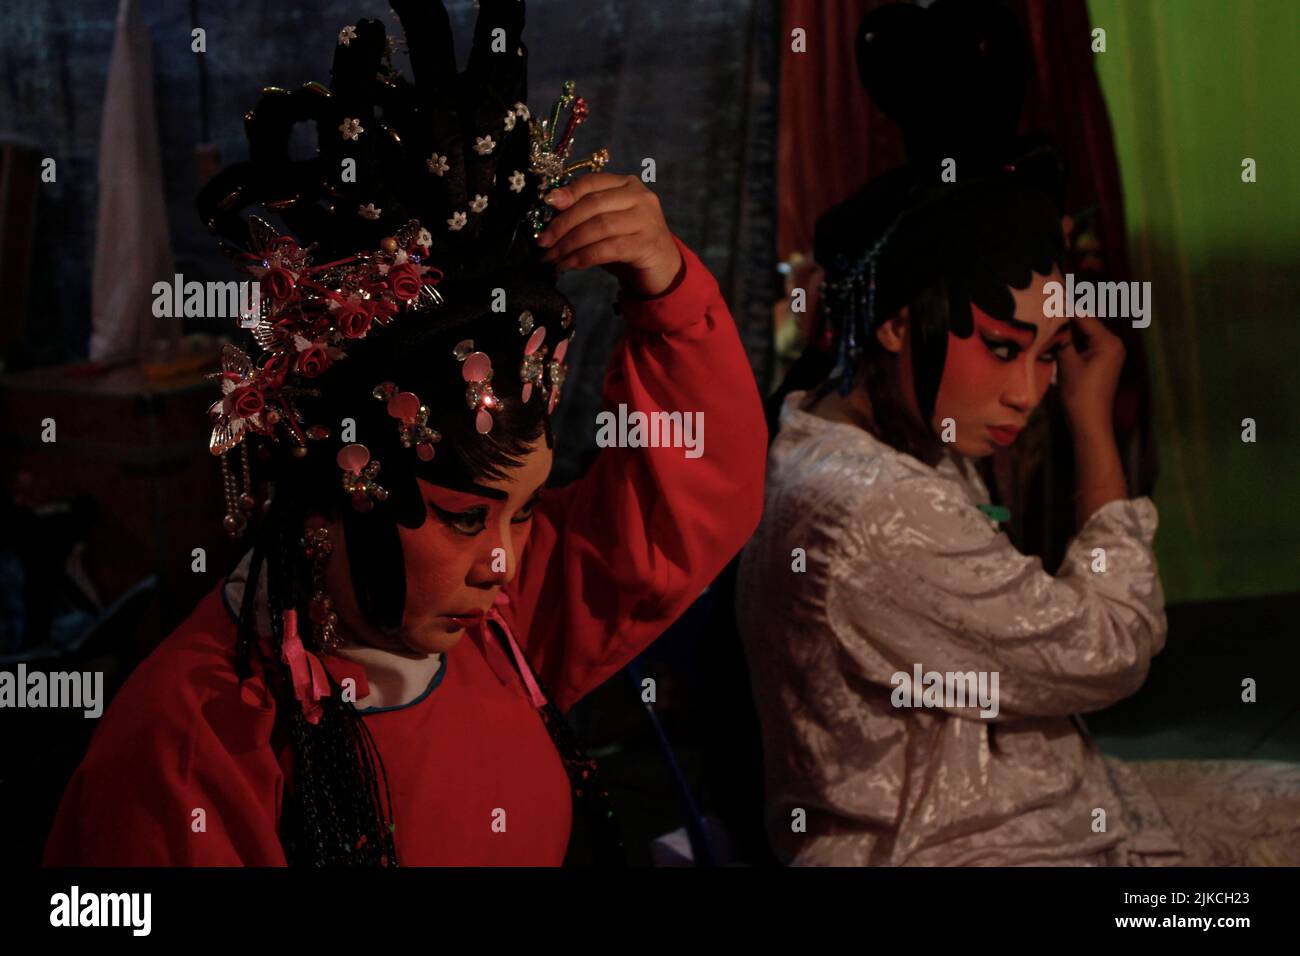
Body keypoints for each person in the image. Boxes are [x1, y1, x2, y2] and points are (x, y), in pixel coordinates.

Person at [44, 0, 765, 866]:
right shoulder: (198, 747)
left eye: (527, 510)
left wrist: (670, 294)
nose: (504, 562)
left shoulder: (495, 626)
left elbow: (682, 511)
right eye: (467, 516)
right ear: (332, 499)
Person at [736, 0, 1300, 866]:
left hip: (1043, 803)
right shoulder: (878, 511)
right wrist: (1093, 426)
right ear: (894, 323)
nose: (1030, 391)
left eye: (1049, 354)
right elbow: (1108, 651)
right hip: (965, 846)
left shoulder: (831, 428)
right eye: (1002, 347)